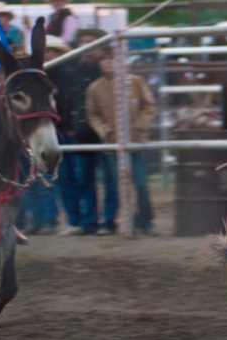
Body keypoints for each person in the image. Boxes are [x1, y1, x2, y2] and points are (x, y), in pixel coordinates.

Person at [86, 45, 159, 236]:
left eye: (113, 59)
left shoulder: (135, 82)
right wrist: (104, 131)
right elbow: (93, 115)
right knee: (118, 186)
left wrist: (141, 125)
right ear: (100, 63)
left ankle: (146, 221)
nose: (109, 63)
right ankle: (128, 221)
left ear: (121, 62)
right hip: (112, 145)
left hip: (135, 142)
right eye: (105, 59)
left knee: (141, 184)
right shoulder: (94, 88)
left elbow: (149, 105)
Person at [49, 27, 105, 235]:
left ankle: (90, 221)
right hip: (71, 132)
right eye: (83, 42)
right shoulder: (72, 71)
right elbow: (66, 101)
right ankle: (76, 220)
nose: (86, 46)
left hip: (93, 134)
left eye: (91, 42)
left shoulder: (102, 72)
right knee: (68, 178)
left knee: (86, 179)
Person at [17, 35, 71, 235]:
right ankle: (37, 219)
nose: (47, 55)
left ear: (57, 54)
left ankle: (48, 220)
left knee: (45, 178)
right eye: (45, 51)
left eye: (51, 51)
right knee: (30, 180)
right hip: (33, 132)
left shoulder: (59, 76)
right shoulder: (34, 78)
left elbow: (62, 104)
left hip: (48, 131)